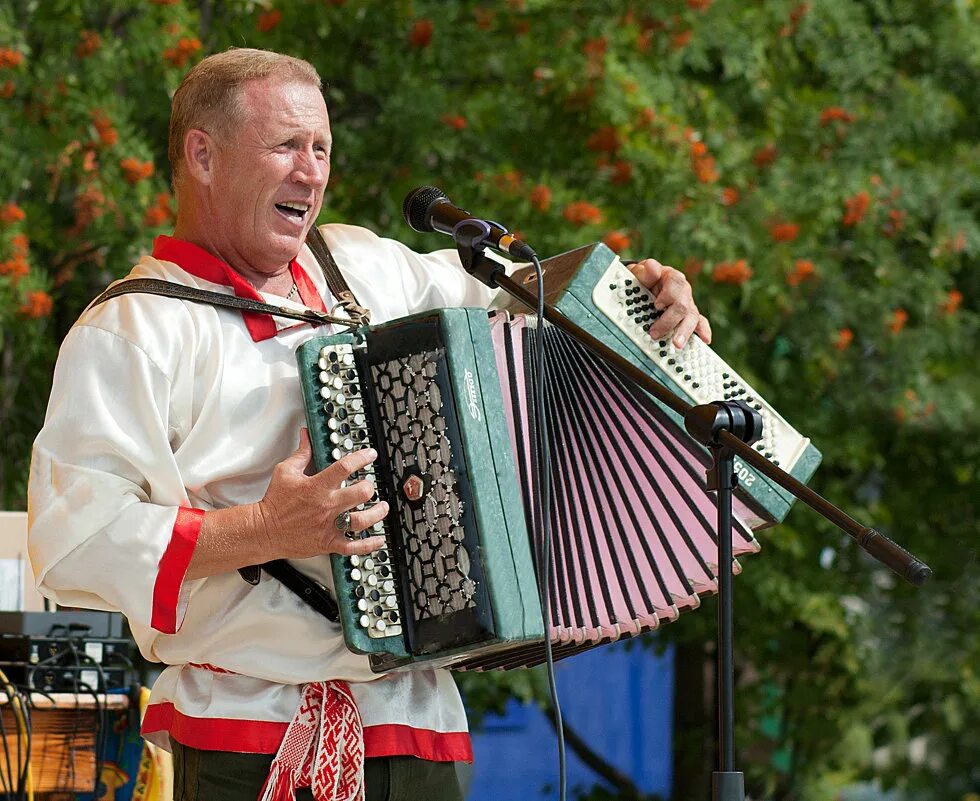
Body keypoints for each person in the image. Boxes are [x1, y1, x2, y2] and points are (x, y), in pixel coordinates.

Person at [27, 48, 711, 801]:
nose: (311, 171)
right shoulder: (133, 328)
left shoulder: (362, 266)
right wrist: (264, 527)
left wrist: (630, 293)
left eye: (320, 148)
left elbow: (523, 307)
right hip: (250, 737)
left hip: (421, 723)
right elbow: (76, 541)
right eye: (285, 145)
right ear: (204, 155)